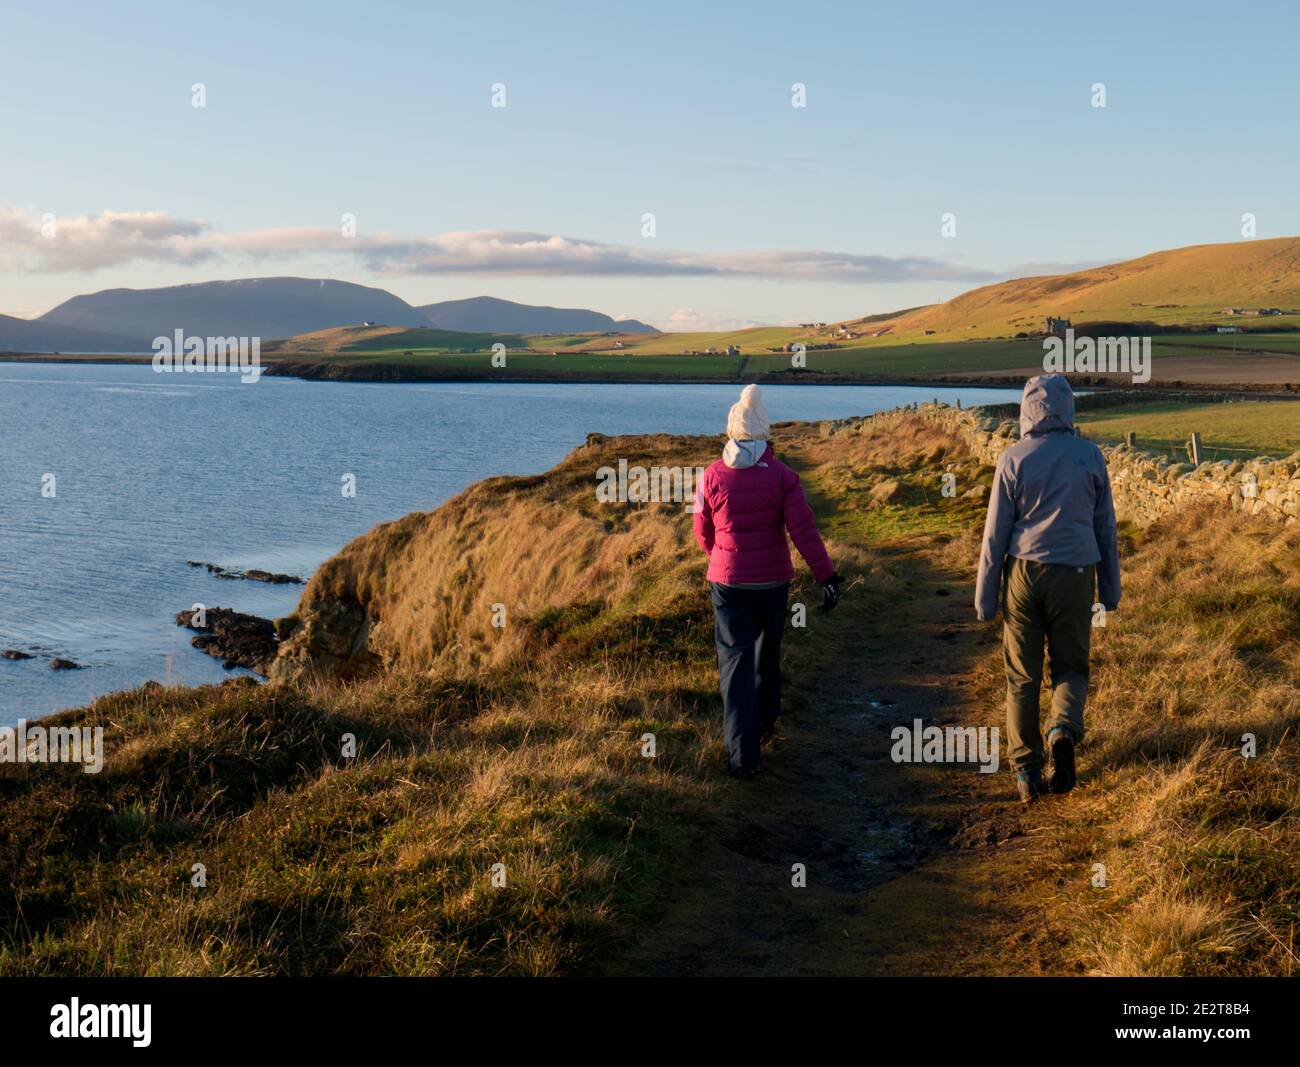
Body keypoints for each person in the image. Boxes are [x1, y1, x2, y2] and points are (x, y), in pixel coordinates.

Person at [975, 374, 1120, 803]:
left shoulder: (1013, 458)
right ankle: (1062, 730)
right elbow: (1105, 528)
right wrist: (1109, 591)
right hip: (1076, 573)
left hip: (1024, 572)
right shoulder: (1090, 456)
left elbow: (994, 535)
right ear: (1068, 408)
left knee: (1022, 676)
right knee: (1071, 667)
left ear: (1027, 410)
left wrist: (985, 597)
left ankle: (1027, 773)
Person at [693, 384, 842, 777]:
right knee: (765, 655)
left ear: (732, 429)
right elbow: (804, 530)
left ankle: (743, 756)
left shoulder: (710, 476)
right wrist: (826, 576)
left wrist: (721, 559)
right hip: (773, 583)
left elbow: (701, 529)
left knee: (734, 663)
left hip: (727, 585)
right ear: (764, 431)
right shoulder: (783, 477)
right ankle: (765, 724)